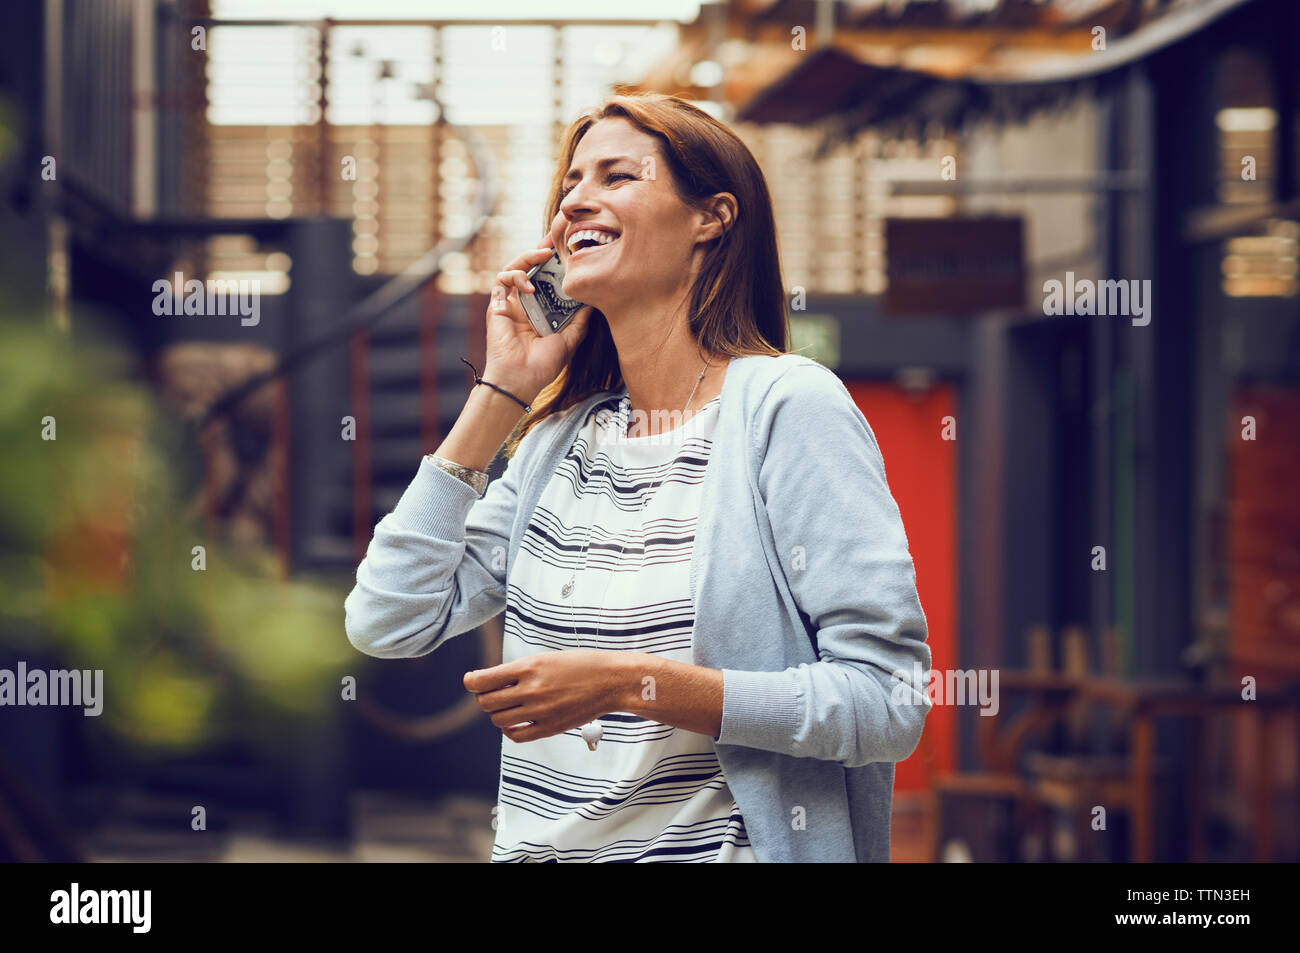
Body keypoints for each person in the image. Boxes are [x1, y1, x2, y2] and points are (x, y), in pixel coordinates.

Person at [344, 93, 932, 862]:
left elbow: (889, 700)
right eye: (572, 183)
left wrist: (632, 683)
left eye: (618, 176)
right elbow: (387, 619)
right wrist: (501, 395)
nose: (577, 198)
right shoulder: (560, 441)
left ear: (711, 217)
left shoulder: (786, 407)